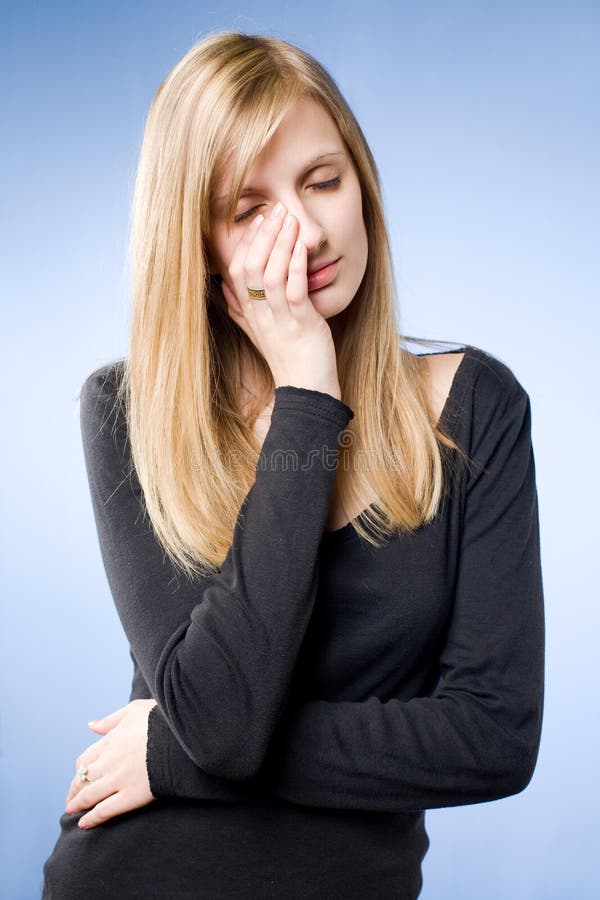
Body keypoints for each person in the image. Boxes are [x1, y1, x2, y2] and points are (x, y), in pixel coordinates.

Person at [41, 30, 545, 900]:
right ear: (198, 247)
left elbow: (493, 738)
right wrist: (307, 393)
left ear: (364, 187)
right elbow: (224, 721)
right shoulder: (128, 412)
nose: (305, 232)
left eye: (323, 181)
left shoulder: (477, 407)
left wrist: (174, 752)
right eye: (249, 210)